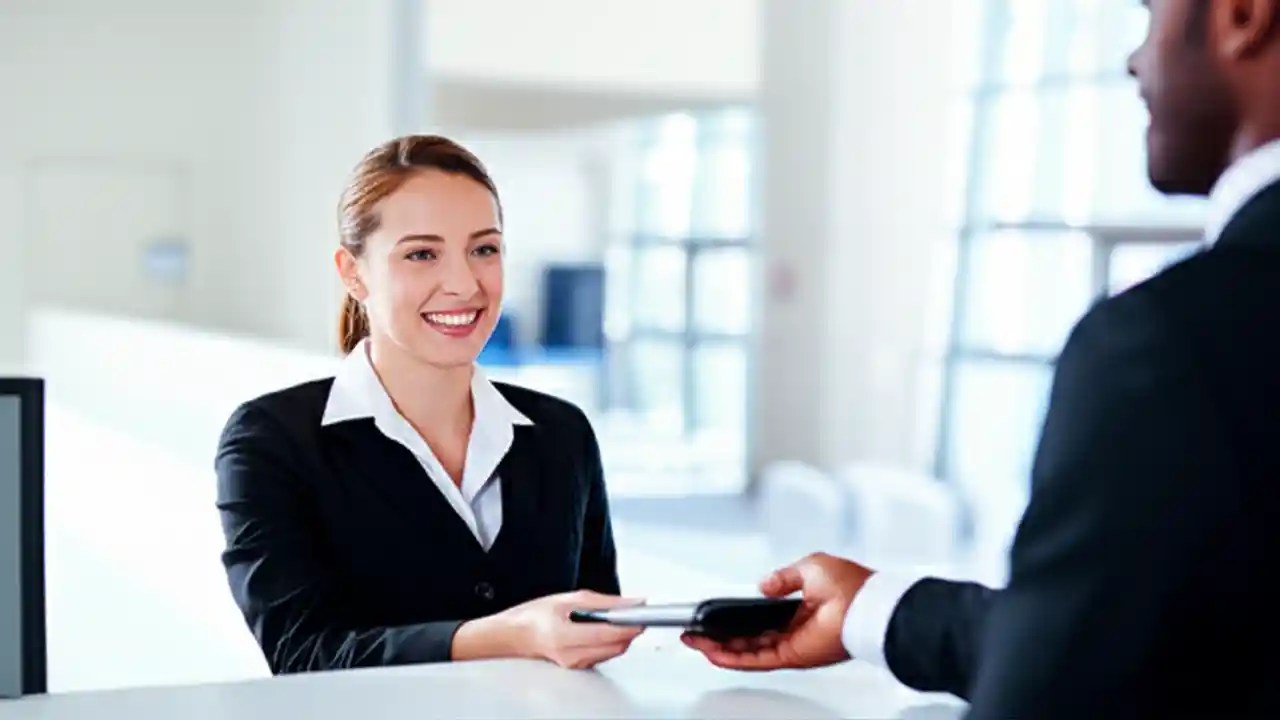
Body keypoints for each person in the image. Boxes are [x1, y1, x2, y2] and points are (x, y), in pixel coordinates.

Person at [684, 0, 1280, 716]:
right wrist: (876, 608)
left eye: (1151, 12)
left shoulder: (1173, 342)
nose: (1135, 58)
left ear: (1243, 15)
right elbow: (1178, 645)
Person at [215, 135, 643, 674]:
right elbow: (302, 650)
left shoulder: (562, 432)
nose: (464, 283)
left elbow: (589, 632)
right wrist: (510, 634)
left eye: (484, 249)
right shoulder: (272, 439)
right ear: (353, 272)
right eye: (422, 254)